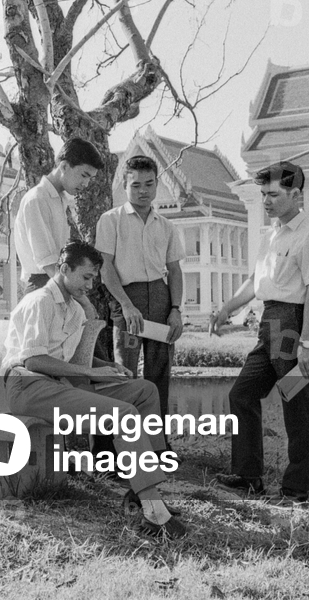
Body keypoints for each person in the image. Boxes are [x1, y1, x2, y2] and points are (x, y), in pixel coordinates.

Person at [2, 240, 186, 537]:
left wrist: (106, 369)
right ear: (64, 269)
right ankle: (154, 512)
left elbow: (74, 360)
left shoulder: (74, 309)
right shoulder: (40, 301)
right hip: (29, 388)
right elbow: (35, 360)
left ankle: (142, 490)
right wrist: (88, 372)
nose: (90, 285)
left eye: (94, 279)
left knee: (145, 390)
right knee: (124, 415)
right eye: (86, 277)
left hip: (58, 387)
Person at [210, 161, 309, 504]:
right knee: (242, 394)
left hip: (293, 324)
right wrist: (226, 309)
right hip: (270, 323)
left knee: (297, 406)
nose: (266, 201)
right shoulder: (271, 233)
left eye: (273, 194)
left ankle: (296, 489)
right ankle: (249, 477)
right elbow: (254, 280)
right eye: (262, 194)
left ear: (296, 194)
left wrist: (306, 343)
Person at [95, 155, 184, 433]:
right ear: (124, 185)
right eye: (136, 185)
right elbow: (105, 267)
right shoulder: (111, 220)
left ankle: (157, 443)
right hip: (127, 300)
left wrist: (176, 309)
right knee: (126, 372)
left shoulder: (166, 226)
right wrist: (126, 304)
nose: (143, 191)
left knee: (159, 373)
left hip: (160, 298)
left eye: (149, 184)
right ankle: (127, 444)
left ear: (157, 184)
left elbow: (175, 270)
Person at [14, 138, 105, 294]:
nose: (86, 184)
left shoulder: (60, 199)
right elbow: (47, 262)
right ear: (64, 166)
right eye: (84, 175)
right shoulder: (37, 199)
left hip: (59, 282)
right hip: (43, 284)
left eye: (90, 178)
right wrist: (81, 301)